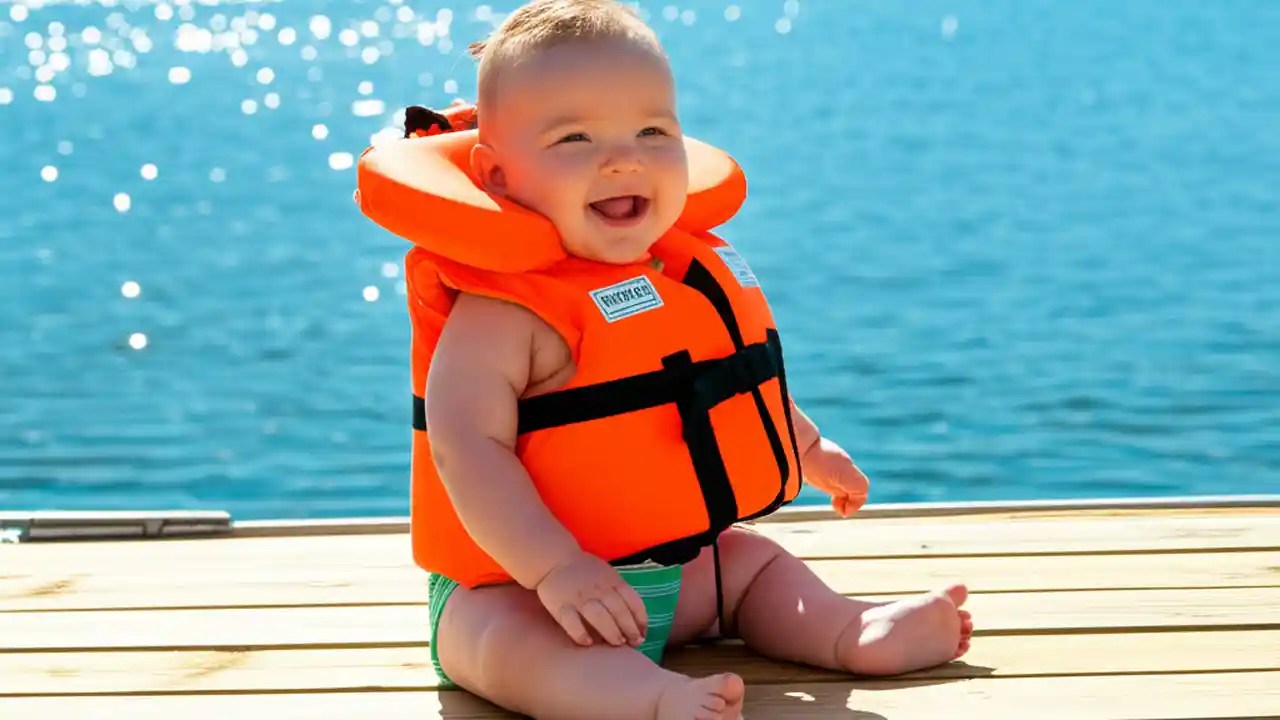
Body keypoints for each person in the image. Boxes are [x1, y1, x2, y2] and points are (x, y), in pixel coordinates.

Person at [356, 1, 972, 717]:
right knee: (501, 644)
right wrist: (555, 569)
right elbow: (466, 449)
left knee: (751, 566)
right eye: (574, 138)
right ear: (496, 177)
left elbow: (729, 382)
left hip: (674, 580)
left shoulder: (678, 273)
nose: (624, 157)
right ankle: (645, 701)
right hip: (526, 596)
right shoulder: (502, 312)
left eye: (653, 131)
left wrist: (809, 447)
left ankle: (848, 630)